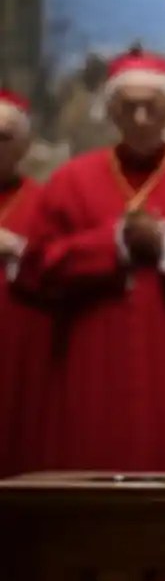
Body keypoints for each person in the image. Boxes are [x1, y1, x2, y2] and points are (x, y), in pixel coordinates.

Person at [22, 47, 165, 471]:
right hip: (95, 366)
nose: (142, 119)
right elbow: (37, 270)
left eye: (153, 107)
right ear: (111, 111)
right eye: (129, 108)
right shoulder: (71, 180)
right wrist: (113, 244)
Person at [0, 90, 52, 477]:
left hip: (21, 352)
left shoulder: (47, 203)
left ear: (24, 145)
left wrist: (18, 250)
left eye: (4, 136)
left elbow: (64, 274)